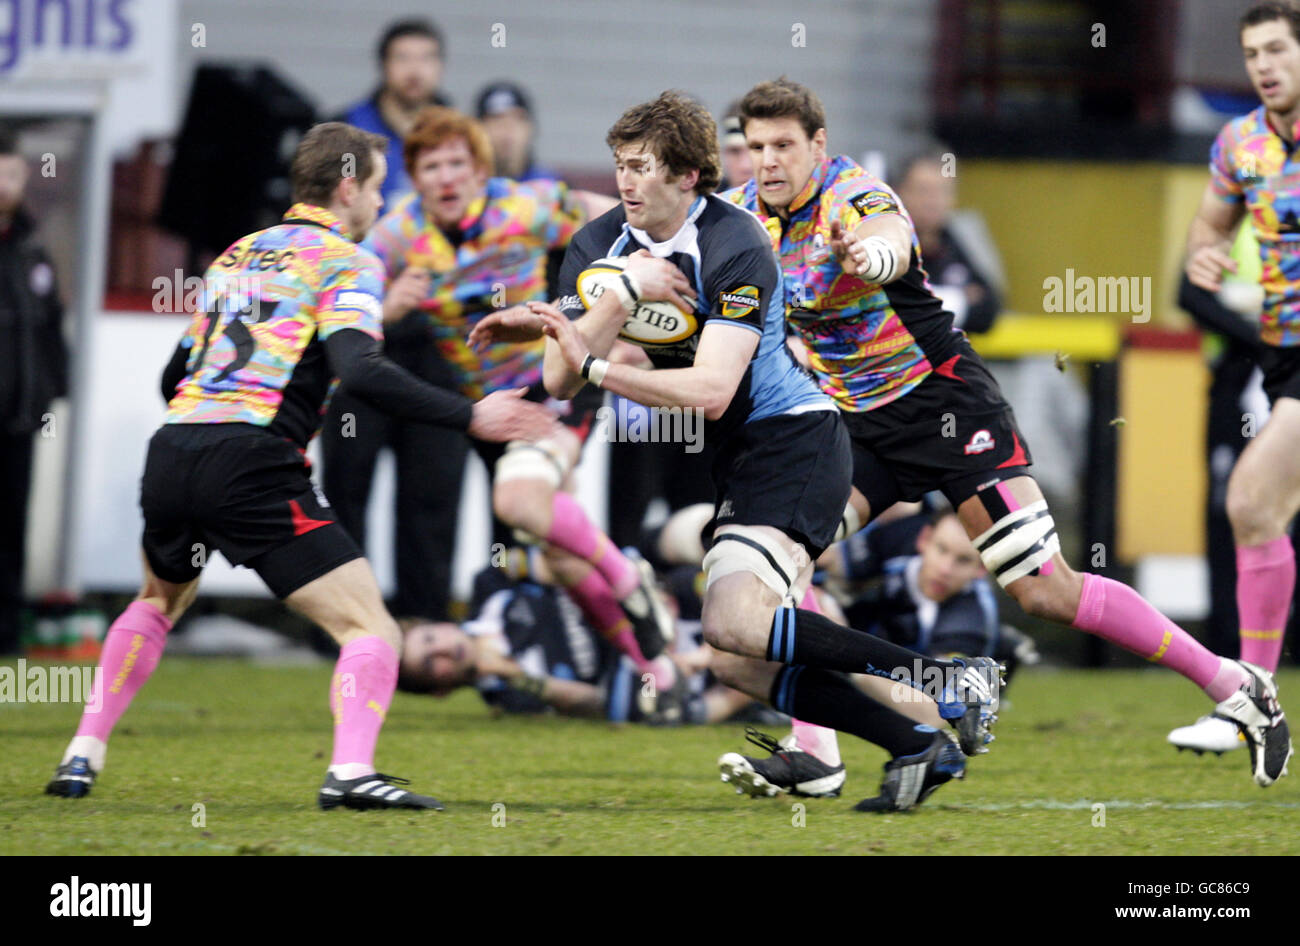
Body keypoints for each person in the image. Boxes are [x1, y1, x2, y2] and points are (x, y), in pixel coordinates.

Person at [720, 76, 1291, 789]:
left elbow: (888, 239)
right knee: (783, 567)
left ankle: (1235, 684)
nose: (767, 160)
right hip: (854, 427)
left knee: (1044, 588)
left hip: (945, 409)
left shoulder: (855, 195)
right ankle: (819, 758)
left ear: (819, 145)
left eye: (783, 145)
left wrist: (866, 256)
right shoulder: (740, 217)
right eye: (755, 146)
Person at [481, 91, 1003, 812]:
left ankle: (944, 681)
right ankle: (914, 743)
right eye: (620, 167)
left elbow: (712, 391)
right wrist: (616, 298)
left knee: (734, 622)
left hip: (798, 440)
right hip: (739, 456)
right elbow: (556, 378)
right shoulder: (600, 244)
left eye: (642, 168)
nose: (625, 182)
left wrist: (602, 364)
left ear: (688, 176)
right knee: (735, 660)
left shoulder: (736, 244)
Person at [43, 122, 555, 810]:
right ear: (347, 186)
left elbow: (176, 373)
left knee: (158, 600)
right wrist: (471, 415)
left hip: (175, 451)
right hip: (253, 463)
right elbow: (363, 371)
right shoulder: (348, 260)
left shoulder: (239, 254)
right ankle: (349, 773)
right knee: (370, 629)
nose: (381, 204)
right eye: (376, 187)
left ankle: (81, 753)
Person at [351, 106, 676, 695]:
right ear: (415, 176)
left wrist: (629, 280)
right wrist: (390, 305)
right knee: (559, 552)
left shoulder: (522, 205)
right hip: (487, 410)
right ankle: (654, 667)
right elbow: (345, 297)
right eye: (431, 166)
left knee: (522, 503)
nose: (446, 177)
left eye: (457, 163)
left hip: (555, 383)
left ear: (480, 171)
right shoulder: (398, 234)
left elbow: (614, 218)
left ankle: (633, 587)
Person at [1175, 1, 1300, 757]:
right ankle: (1257, 694)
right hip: (1283, 354)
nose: (1264, 65)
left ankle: (1253, 694)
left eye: (1279, 49)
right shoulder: (1240, 144)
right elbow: (1209, 228)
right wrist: (1203, 256)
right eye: (1254, 52)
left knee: (1252, 500)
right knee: (1256, 510)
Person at [0, 129, 67, 656]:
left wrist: (50, 392)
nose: (7, 185)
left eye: (14, 174)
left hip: (20, 415)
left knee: (12, 525)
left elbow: (49, 328)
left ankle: (6, 633)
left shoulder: (30, 246)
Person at [339, 18, 451, 207]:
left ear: (440, 66)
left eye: (426, 59)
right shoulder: (347, 130)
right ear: (383, 65)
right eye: (402, 58)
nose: (415, 71)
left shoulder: (459, 134)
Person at [891, 149, 1002, 334]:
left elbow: (990, 309)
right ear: (898, 192)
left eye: (943, 191)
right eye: (923, 190)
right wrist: (960, 300)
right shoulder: (884, 242)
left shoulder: (963, 239)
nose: (933, 201)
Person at [475, 81, 557, 182]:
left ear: (530, 128)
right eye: (497, 120)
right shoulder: (466, 186)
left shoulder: (549, 186)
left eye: (518, 119)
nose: (507, 128)